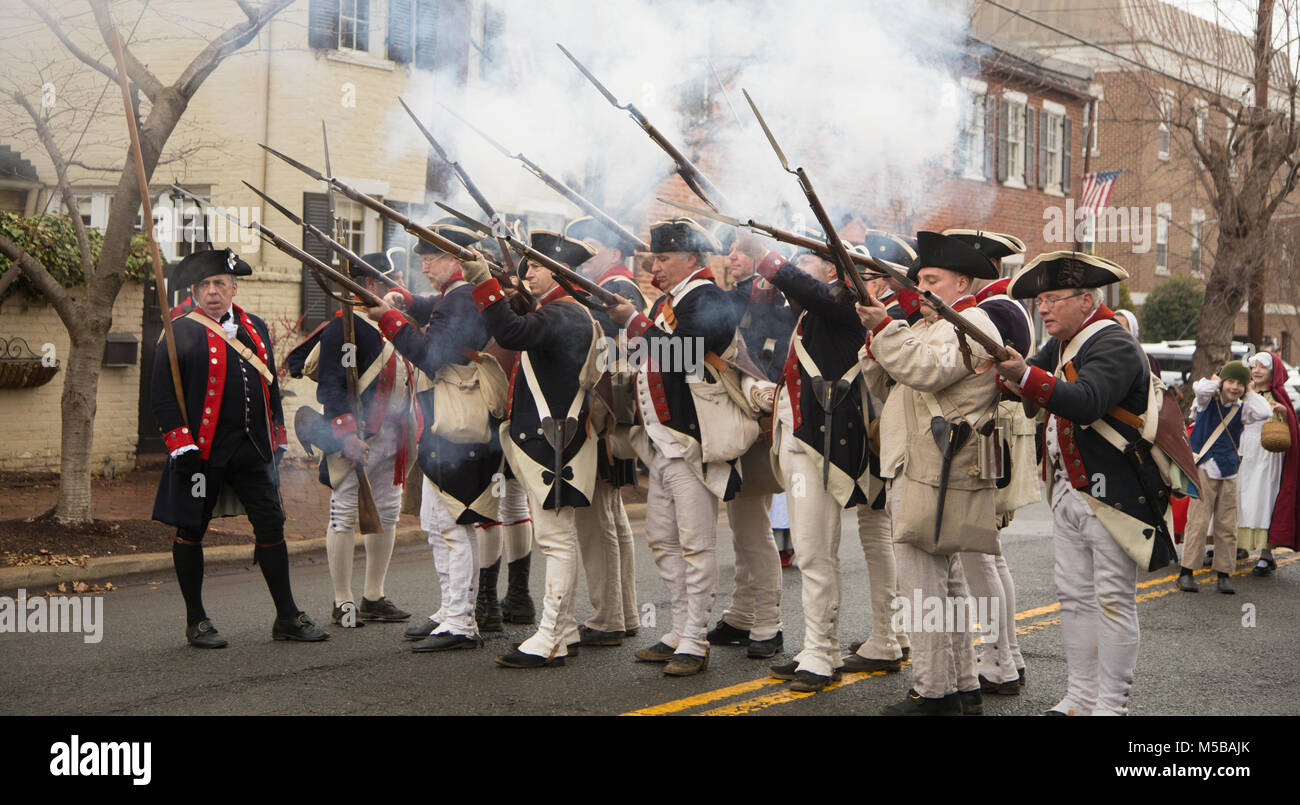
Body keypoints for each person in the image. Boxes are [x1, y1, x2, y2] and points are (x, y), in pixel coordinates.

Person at [995, 250, 1167, 716]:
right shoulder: (1066, 343)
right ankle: (1080, 696)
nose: (1043, 308)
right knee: (1074, 597)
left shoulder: (1112, 342)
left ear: (1085, 300)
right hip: (1071, 490)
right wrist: (1010, 374)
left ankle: (1111, 705)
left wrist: (1025, 376)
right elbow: (1033, 378)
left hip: (1113, 495)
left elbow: (1086, 401)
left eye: (1052, 299)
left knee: (1112, 598)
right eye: (1041, 301)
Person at [152, 248, 328, 647]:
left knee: (271, 524)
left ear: (234, 287)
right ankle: (196, 620)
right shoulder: (178, 328)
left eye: (219, 284)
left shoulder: (255, 327)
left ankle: (286, 616)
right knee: (191, 529)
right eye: (204, 285)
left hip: (253, 452)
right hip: (202, 452)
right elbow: (162, 396)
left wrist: (277, 437)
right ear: (195, 291)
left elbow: (270, 390)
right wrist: (181, 445)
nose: (212, 291)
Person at [857, 231, 1003, 716]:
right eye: (919, 279)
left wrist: (886, 331)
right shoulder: (932, 324)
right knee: (947, 584)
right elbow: (883, 380)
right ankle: (961, 686)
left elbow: (924, 372)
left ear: (962, 281)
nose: (921, 288)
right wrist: (877, 334)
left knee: (921, 586)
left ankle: (932, 692)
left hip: (933, 468)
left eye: (931, 279)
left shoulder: (971, 323)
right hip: (923, 466)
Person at [606, 217, 745, 677]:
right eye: (654, 257)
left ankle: (695, 638)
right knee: (662, 538)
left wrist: (635, 322)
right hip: (661, 442)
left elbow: (679, 354)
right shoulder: (672, 302)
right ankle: (679, 628)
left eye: (663, 258)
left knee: (694, 543)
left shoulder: (707, 299)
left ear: (690, 258)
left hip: (690, 440)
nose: (655, 265)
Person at [463, 231, 602, 668]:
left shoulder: (565, 314)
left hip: (553, 446)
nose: (529, 272)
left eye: (537, 266)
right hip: (549, 443)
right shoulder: (561, 312)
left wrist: (483, 281)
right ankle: (565, 628)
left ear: (559, 271)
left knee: (556, 540)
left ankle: (551, 637)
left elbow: (511, 332)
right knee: (554, 537)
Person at [366, 220, 502, 652]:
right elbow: (437, 309)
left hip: (456, 421)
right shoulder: (457, 295)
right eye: (422, 258)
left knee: (453, 522)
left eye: (431, 258)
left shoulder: (461, 298)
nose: (424, 266)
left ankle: (462, 622)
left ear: (455, 260)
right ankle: (450, 610)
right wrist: (406, 302)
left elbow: (431, 356)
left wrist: (390, 318)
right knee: (435, 521)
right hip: (444, 418)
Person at [944, 229, 1035, 695]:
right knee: (989, 557)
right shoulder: (1003, 304)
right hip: (995, 434)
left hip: (986, 437)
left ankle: (998, 661)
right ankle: (1009, 655)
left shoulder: (993, 309)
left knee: (979, 556)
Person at [315, 253, 413, 627]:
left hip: (394, 435)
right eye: (392, 282)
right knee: (344, 514)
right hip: (357, 435)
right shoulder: (343, 330)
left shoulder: (391, 324)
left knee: (387, 512)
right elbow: (331, 387)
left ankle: (374, 595)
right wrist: (346, 434)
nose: (399, 290)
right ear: (370, 286)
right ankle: (343, 601)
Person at [564, 216, 643, 645]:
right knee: (609, 520)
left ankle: (608, 618)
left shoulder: (617, 290)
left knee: (598, 523)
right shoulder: (613, 288)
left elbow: (624, 353)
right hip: (611, 414)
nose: (584, 260)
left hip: (604, 415)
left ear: (613, 254)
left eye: (591, 249)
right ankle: (623, 612)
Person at [1179, 361, 1274, 594]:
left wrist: (1249, 390)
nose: (1235, 388)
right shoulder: (1205, 401)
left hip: (1229, 469)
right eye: (1231, 382)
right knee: (1198, 523)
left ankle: (1224, 573)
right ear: (1222, 383)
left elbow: (1265, 412)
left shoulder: (1244, 407)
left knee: (1227, 524)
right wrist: (1220, 381)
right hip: (1204, 466)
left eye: (1240, 384)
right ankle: (1186, 573)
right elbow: (1200, 388)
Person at [1240, 352, 1300, 575]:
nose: (1256, 371)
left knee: (1264, 499)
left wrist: (1283, 413)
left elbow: (1291, 426)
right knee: (1241, 498)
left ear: (1273, 373)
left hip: (1268, 456)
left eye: (1261, 368)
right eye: (1253, 367)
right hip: (1245, 453)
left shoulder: (1279, 395)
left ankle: (1266, 554)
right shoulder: (1245, 393)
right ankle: (1239, 545)